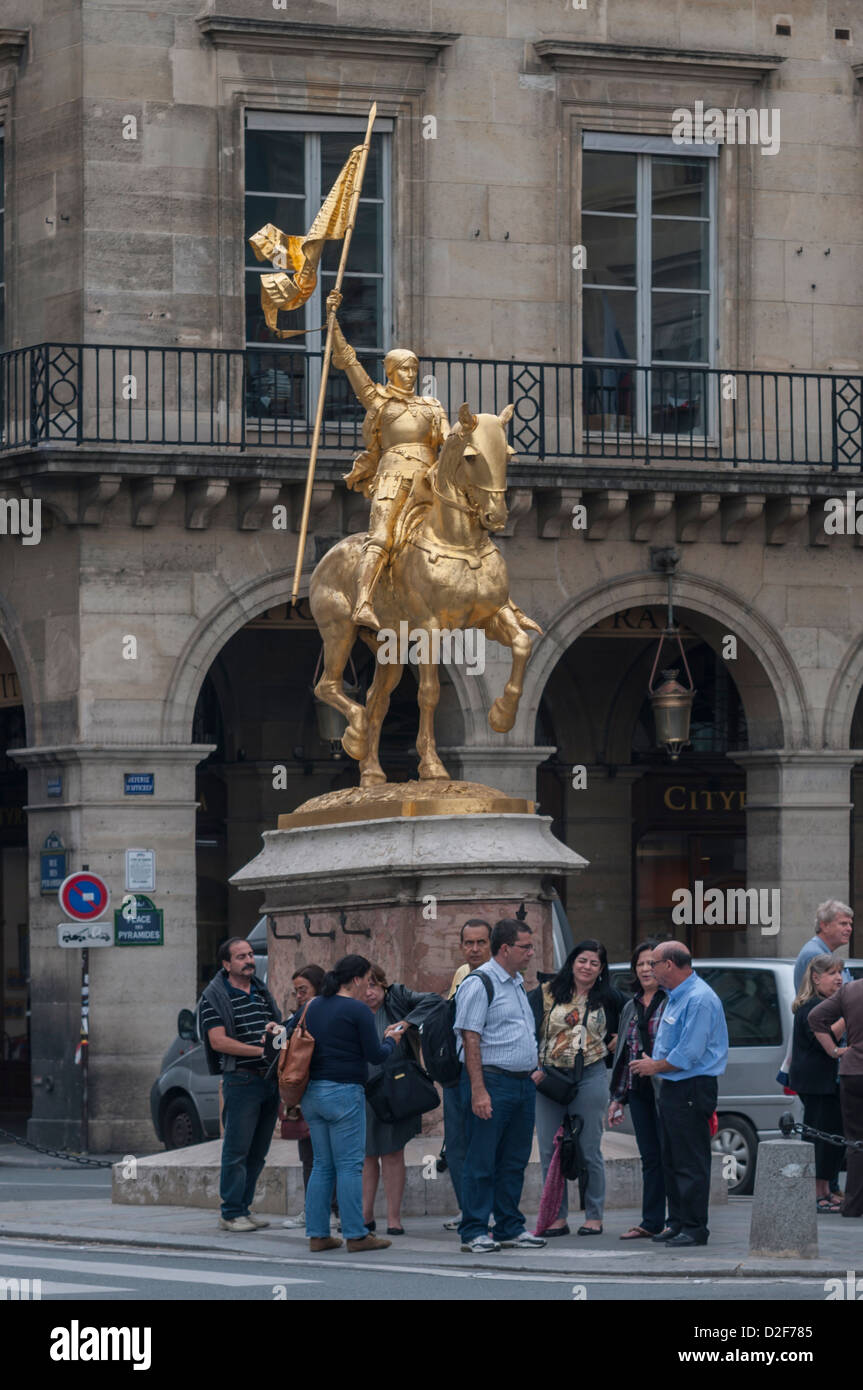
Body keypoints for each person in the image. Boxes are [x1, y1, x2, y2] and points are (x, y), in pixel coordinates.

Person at [327, 287, 449, 629]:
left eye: (413, 369)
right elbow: (349, 362)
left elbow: (450, 440)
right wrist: (333, 321)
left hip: (430, 479)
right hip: (393, 479)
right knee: (381, 537)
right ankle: (364, 600)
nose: (410, 375)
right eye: (403, 369)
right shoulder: (379, 401)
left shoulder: (432, 407)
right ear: (390, 372)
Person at [300, 954, 406, 1252]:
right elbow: (376, 1055)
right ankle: (356, 1235)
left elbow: (289, 1032)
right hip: (344, 1093)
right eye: (367, 979)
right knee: (349, 1166)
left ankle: (318, 1235)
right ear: (357, 979)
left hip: (312, 1095)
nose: (367, 987)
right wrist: (392, 1040)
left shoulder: (313, 1005)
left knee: (322, 1165)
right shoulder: (357, 1010)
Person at [454, 918, 547, 1254]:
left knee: (514, 1160)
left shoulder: (516, 983)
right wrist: (479, 1090)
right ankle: (474, 1230)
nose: (531, 952)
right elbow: (470, 1037)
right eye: (525, 947)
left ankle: (509, 1226)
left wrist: (533, 1066)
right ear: (506, 948)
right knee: (481, 1159)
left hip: (522, 1085)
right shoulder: (480, 983)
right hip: (492, 1082)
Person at [630, 941, 728, 1247]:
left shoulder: (699, 999)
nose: (649, 969)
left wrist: (653, 1066)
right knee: (671, 1158)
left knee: (690, 1160)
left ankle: (695, 1227)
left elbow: (689, 1054)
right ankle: (678, 1222)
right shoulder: (675, 996)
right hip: (674, 1086)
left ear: (669, 965)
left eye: (654, 963)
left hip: (691, 1086)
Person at [529, 939, 624, 1236]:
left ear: (601, 969)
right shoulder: (546, 993)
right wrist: (532, 1068)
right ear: (572, 962)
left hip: (590, 1074)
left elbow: (630, 1026)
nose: (587, 967)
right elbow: (525, 1027)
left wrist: (616, 1039)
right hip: (548, 1077)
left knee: (589, 1147)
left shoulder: (609, 997)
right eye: (582, 960)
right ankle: (556, 1217)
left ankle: (594, 1215)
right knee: (549, 1148)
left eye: (594, 963)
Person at [199, 936, 284, 1233]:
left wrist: (275, 1034)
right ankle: (231, 1212)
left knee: (258, 1151)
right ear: (226, 964)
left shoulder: (261, 991)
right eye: (240, 957)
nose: (249, 960)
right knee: (237, 1150)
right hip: (242, 1080)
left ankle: (244, 1209)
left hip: (268, 1079)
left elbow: (277, 1025)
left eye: (250, 955)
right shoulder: (214, 996)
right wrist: (261, 1051)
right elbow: (218, 1041)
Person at [362, 964, 440, 1234]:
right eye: (364, 986)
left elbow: (435, 1001)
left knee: (393, 1153)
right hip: (363, 1090)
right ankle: (365, 1216)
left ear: (383, 985)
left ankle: (394, 1218)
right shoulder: (352, 1008)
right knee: (366, 1155)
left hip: (398, 1088)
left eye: (374, 985)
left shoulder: (397, 997)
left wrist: (407, 1023)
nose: (369, 993)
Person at [608, 940, 668, 1238]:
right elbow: (624, 1054)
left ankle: (679, 1220)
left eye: (651, 963)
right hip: (638, 1090)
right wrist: (617, 1098)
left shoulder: (673, 1001)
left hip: (668, 1089)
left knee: (673, 1154)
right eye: (640, 964)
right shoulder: (630, 1006)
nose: (645, 969)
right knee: (650, 1157)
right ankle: (651, 1221)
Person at [442, 919, 492, 1229]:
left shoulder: (502, 976)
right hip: (457, 1070)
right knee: (457, 1143)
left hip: (491, 1072)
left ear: (492, 944)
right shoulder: (462, 973)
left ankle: (489, 1210)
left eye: (480, 943)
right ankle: (468, 1209)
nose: (474, 949)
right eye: (468, 943)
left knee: (485, 1143)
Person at [788, 953, 846, 1211]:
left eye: (840, 973)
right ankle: (816, 1192)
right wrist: (848, 1015)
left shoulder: (827, 1004)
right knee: (819, 1137)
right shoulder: (810, 1006)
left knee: (833, 1137)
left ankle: (826, 1188)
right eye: (832, 973)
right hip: (815, 1083)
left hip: (829, 1082)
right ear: (816, 977)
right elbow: (824, 1039)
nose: (839, 979)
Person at [809, 972, 863, 1218]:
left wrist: (834, 1051)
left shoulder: (851, 990)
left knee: (855, 1142)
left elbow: (815, 1017)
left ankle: (853, 1205)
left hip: (853, 1071)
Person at [280, 965, 327, 1230]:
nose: (299, 996)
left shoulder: (307, 1016)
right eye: (296, 991)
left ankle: (317, 1211)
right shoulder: (301, 1015)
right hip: (308, 1093)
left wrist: (279, 1033)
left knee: (315, 1157)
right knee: (312, 1156)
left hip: (314, 1092)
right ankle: (320, 1209)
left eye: (303, 990)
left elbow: (280, 1046)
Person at [793, 901, 854, 991]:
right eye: (843, 924)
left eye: (850, 924)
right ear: (825, 926)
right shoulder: (815, 954)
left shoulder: (823, 951)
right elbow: (834, 995)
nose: (849, 929)